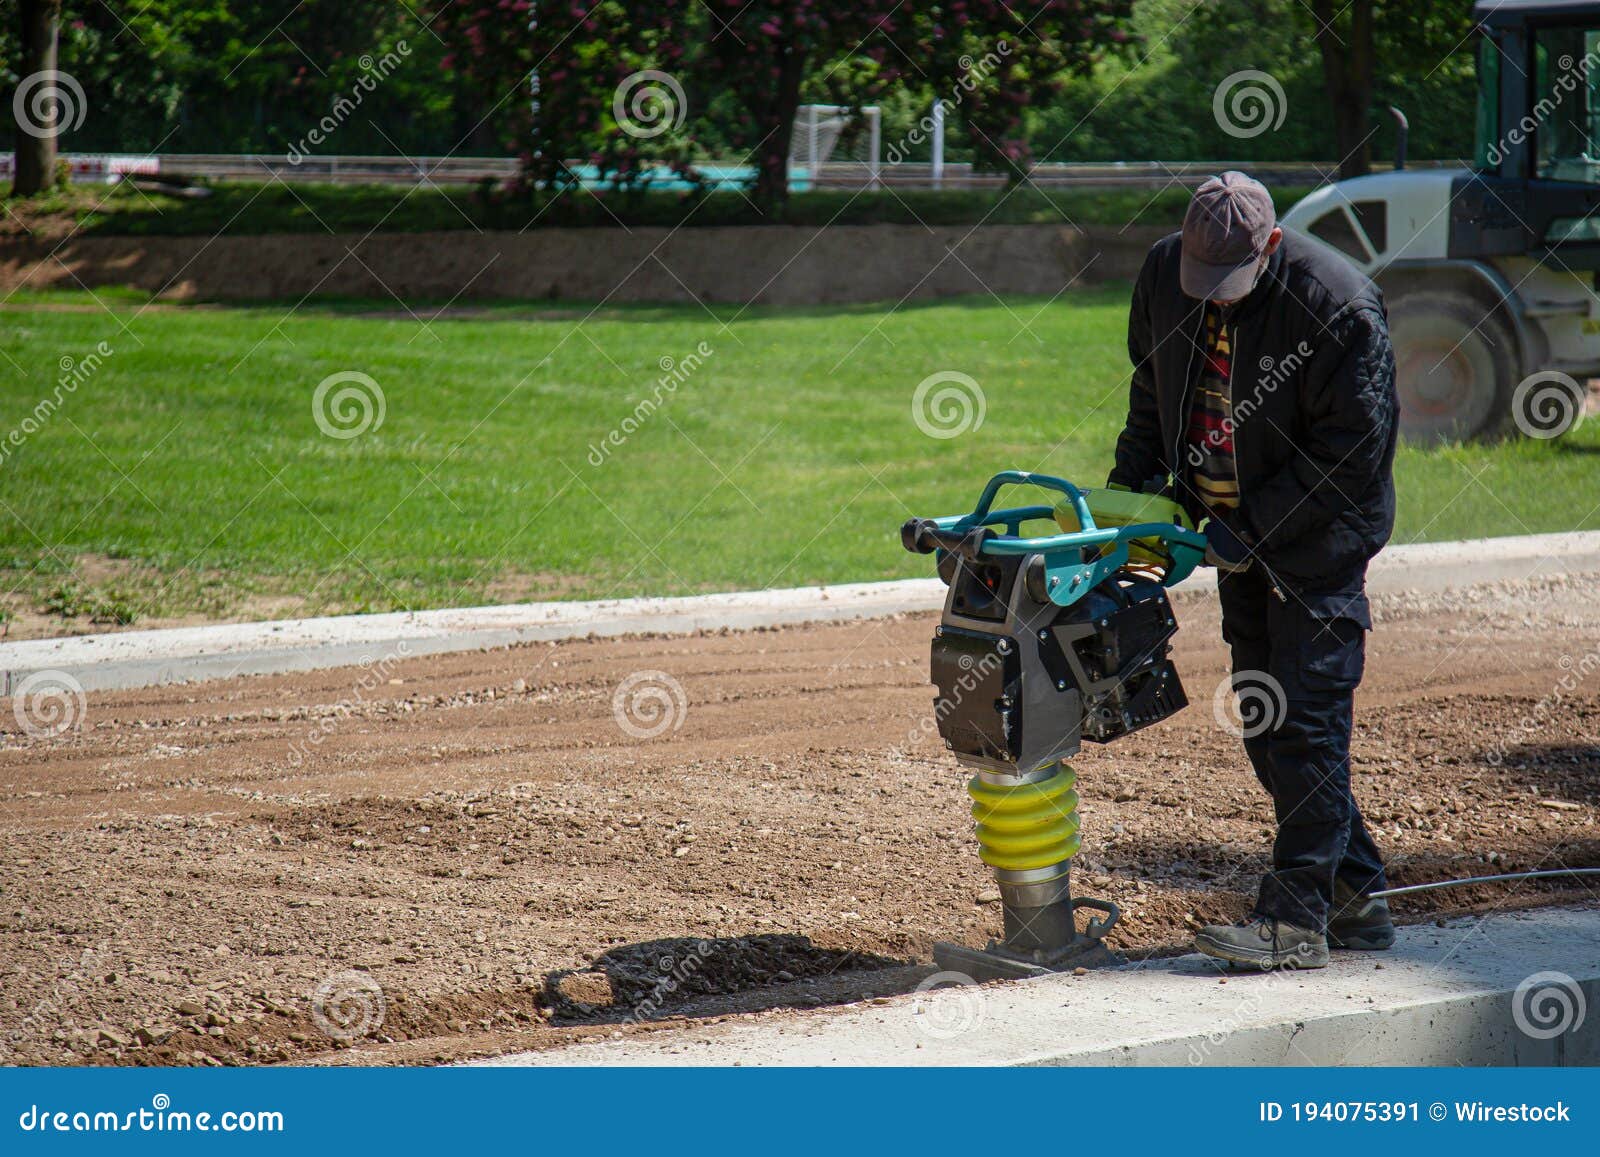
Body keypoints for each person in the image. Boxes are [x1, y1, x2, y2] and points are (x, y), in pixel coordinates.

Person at [1109, 171, 1400, 969]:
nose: (1216, 299)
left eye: (1231, 285)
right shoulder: (1169, 273)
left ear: (1271, 245)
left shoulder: (1337, 305)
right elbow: (1151, 390)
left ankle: (1295, 921)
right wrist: (1130, 494)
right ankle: (1358, 891)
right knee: (1267, 726)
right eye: (1204, 283)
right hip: (1231, 535)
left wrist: (1252, 526)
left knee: (1306, 726)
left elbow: (1352, 455)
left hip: (1319, 543)